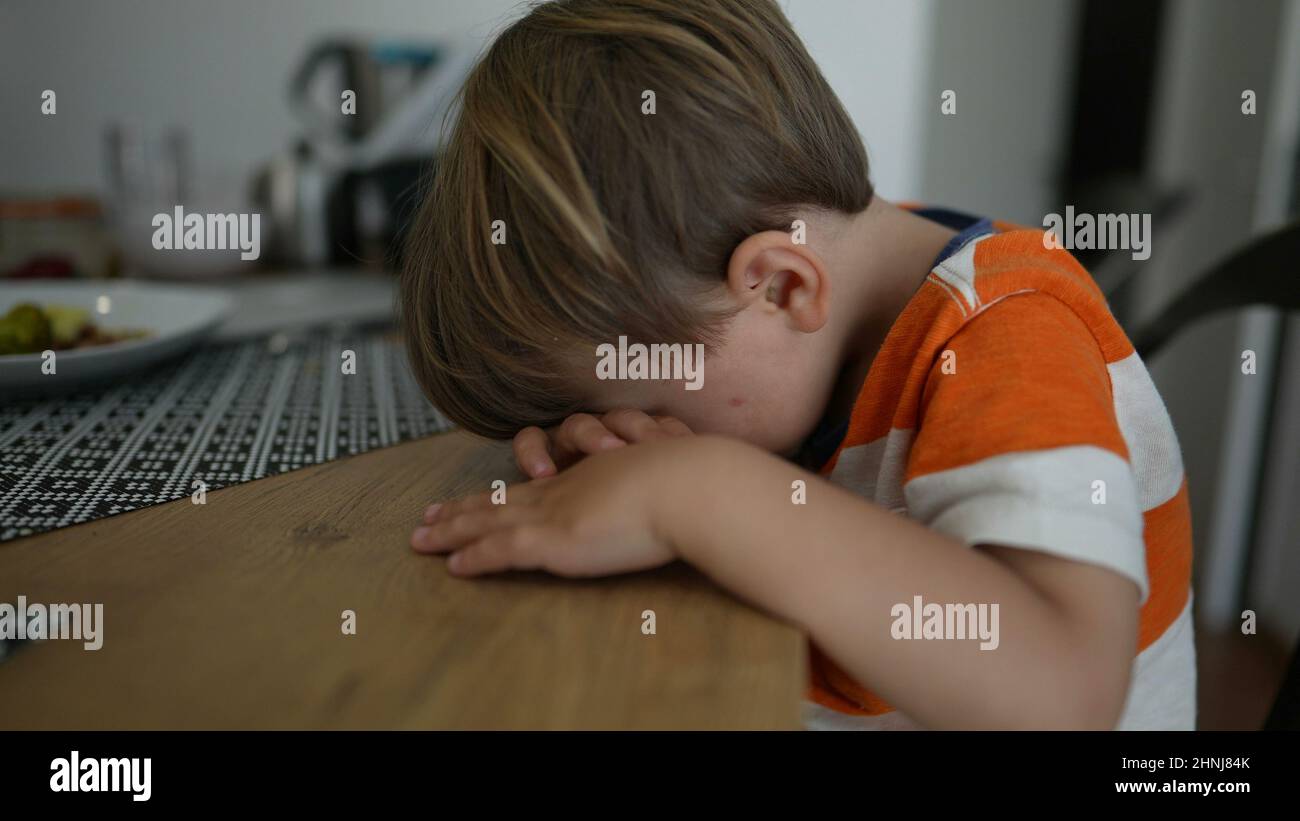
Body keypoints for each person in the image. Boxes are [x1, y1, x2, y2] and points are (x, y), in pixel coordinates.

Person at [398, 0, 1194, 730]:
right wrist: (629, 468)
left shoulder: (1006, 335)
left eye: (633, 392)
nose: (635, 427)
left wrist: (696, 489)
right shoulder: (830, 306)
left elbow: (1064, 693)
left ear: (780, 284)